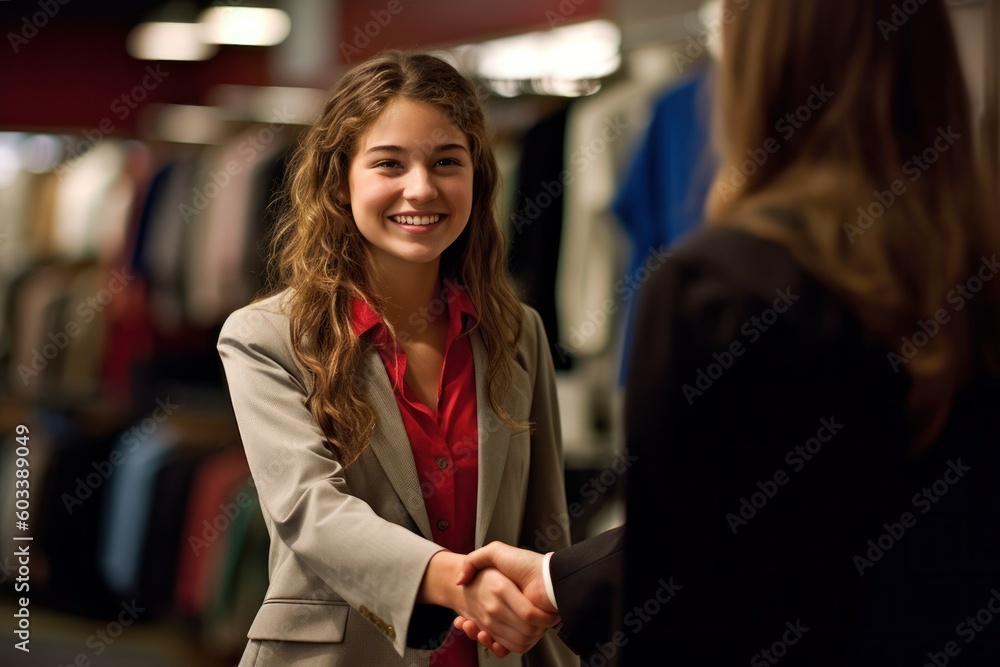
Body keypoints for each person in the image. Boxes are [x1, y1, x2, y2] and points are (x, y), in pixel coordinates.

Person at [453, 0, 1000, 664]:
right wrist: (556, 577)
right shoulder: (970, 279)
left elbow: (695, 590)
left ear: (763, 65)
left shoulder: (721, 288)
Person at [217, 51, 578, 666]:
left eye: (447, 163)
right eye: (389, 163)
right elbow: (311, 512)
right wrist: (458, 582)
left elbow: (544, 527)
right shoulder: (265, 337)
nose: (422, 188)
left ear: (477, 178)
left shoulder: (519, 333)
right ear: (340, 182)